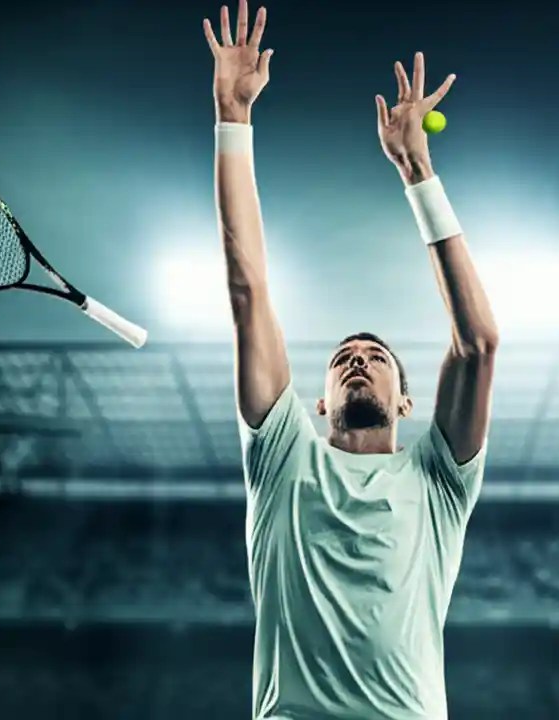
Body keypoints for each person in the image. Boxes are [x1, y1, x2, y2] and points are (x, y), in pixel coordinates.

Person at [204, 2, 499, 717]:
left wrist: (418, 172)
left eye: (376, 356)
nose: (358, 360)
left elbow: (478, 342)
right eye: (343, 358)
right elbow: (248, 289)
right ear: (319, 401)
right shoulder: (283, 455)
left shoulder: (438, 480)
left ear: (406, 400)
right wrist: (233, 119)